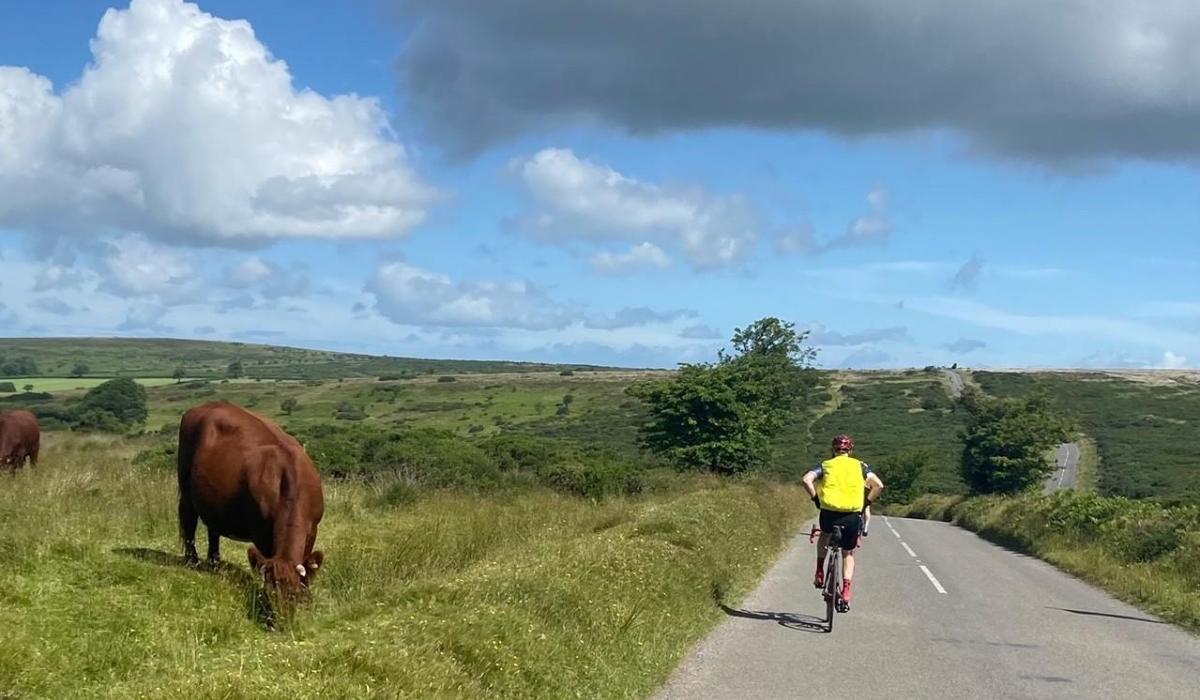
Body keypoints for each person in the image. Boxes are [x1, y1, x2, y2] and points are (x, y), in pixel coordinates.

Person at [802, 434, 884, 610]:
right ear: (850, 451)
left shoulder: (825, 465)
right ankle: (846, 589)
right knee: (848, 553)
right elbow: (879, 485)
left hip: (829, 513)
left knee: (824, 535)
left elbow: (806, 479)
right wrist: (866, 503)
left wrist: (816, 499)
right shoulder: (861, 466)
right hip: (852, 515)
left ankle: (819, 570)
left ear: (833, 450)